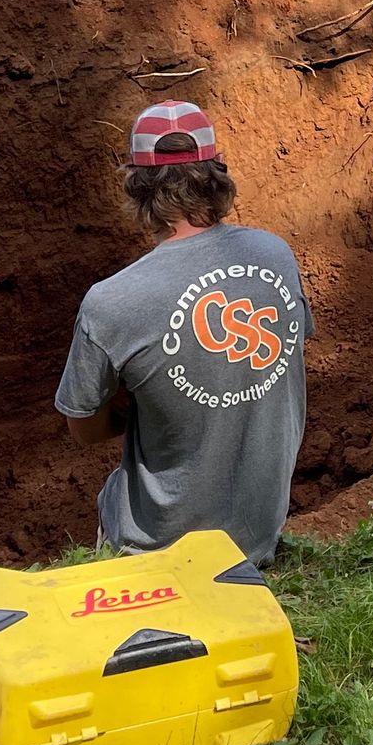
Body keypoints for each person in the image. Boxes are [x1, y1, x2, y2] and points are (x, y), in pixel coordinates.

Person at [56, 102, 309, 568]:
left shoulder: (111, 302)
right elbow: (272, 356)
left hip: (158, 550)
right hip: (257, 535)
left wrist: (134, 406)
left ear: (137, 187)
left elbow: (84, 430)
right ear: (216, 176)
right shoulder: (276, 254)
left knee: (117, 488)